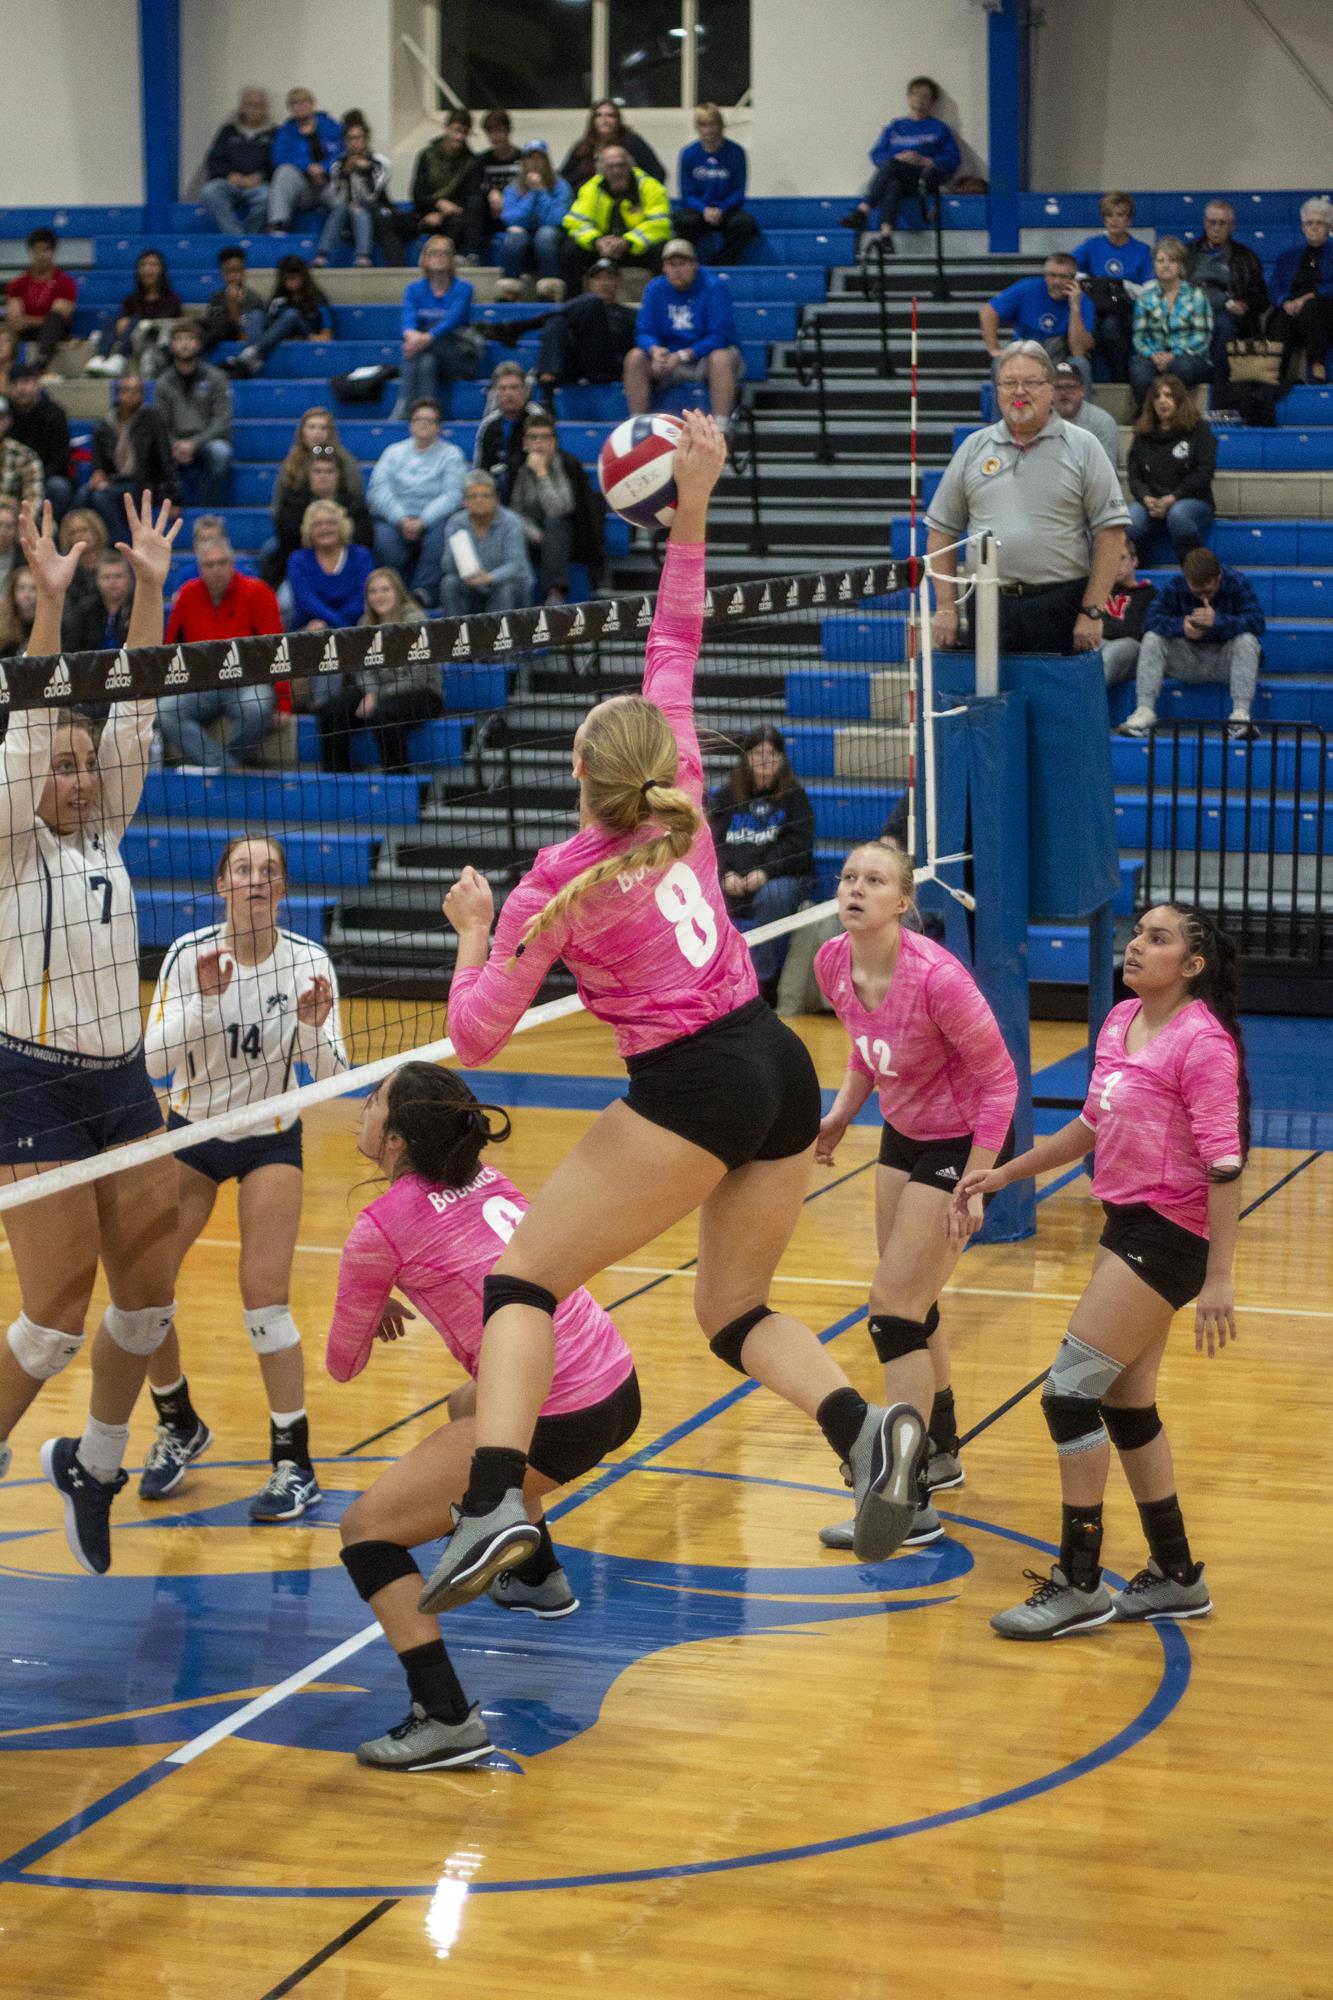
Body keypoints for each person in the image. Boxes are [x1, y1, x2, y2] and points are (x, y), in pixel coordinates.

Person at [417, 411, 924, 1618]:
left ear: (580, 776)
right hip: (776, 1062)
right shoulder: (686, 788)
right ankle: (865, 1431)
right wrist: (692, 503)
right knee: (729, 1308)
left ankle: (491, 1501)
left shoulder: (553, 882)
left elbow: (475, 1041)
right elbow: (676, 631)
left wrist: (473, 931)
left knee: (519, 1282)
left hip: (692, 1082)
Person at [330, 1064, 643, 1770]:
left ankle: (443, 1717)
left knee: (365, 1533)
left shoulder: (378, 1229)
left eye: (373, 1101)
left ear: (397, 1139)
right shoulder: (490, 1178)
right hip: (617, 1385)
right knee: (467, 1405)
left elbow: (343, 1365)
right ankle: (535, 1575)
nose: (362, 1109)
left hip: (559, 1416)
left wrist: (370, 1299)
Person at [958, 905, 1246, 1639]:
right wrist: (1005, 1174)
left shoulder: (1203, 1044)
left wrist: (1218, 1278)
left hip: (1170, 1236)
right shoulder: (1120, 1020)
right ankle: (1176, 1574)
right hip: (1124, 1225)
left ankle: (1079, 1581)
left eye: (1157, 938)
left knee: (1068, 1394)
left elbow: (1224, 1165)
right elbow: (1089, 1125)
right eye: (1137, 932)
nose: (1135, 944)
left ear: (1191, 966)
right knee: (1125, 1404)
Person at [0, 495, 180, 1572]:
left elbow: (141, 706)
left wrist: (149, 588)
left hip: (122, 1081)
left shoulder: (106, 827)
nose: (75, 776)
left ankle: (95, 1463)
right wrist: (50, 605)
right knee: (54, 1321)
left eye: (83, 763)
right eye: (61, 765)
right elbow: (28, 732)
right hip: (29, 1082)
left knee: (147, 1308)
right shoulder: (9, 843)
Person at [813, 841, 1018, 1549]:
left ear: (902, 901)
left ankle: (908, 1499)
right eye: (848, 877)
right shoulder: (831, 962)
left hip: (965, 1140)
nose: (855, 888)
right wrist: (841, 1114)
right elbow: (864, 1047)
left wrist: (978, 1180)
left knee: (892, 1311)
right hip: (902, 1133)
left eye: (874, 880)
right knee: (913, 1301)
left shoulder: (937, 979)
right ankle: (940, 1450)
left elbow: (1001, 1083)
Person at [138, 835, 346, 1520]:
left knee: (264, 1298)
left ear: (282, 889)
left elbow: (336, 1075)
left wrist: (312, 1029)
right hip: (191, 1134)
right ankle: (177, 1422)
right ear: (221, 884)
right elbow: (153, 1066)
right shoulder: (187, 954)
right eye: (243, 869)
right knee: (144, 1290)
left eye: (269, 871)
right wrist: (204, 1002)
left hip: (269, 1138)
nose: (256, 879)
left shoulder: (308, 961)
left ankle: (294, 1461)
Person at [926, 342, 1129, 656]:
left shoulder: (1084, 446)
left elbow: (1111, 533)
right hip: (987, 604)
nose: (1018, 392)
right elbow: (942, 531)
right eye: (1009, 383)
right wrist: (945, 607)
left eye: (1030, 383)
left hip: (1060, 603)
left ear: (1050, 389)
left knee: (1056, 691)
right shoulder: (973, 448)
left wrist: (1092, 611)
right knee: (990, 690)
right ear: (998, 390)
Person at [707, 725, 814, 1000]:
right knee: (705, 892)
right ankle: (712, 980)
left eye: (772, 754)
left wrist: (765, 872)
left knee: (774, 895)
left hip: (780, 880)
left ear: (782, 759)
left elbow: (799, 846)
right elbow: (713, 843)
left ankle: (762, 982)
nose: (765, 760)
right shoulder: (727, 796)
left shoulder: (795, 797)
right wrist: (725, 874)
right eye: (757, 753)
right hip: (734, 880)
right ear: (746, 757)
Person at [158, 538, 282, 770]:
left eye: (222, 563)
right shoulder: (187, 594)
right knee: (165, 709)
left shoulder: (258, 592)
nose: (216, 570)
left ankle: (225, 767)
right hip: (201, 685)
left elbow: (278, 650)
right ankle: (229, 768)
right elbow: (172, 649)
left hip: (247, 683)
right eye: (209, 565)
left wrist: (284, 705)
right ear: (200, 568)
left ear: (233, 563)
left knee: (256, 706)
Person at [1119, 547, 1265, 742]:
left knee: (1247, 641)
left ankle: (1240, 715)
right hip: (1186, 658)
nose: (1203, 598)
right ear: (1187, 580)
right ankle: (1144, 710)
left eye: (1208, 591)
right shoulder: (1175, 585)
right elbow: (1149, 621)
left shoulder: (1237, 582)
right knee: (1152, 638)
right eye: (1197, 593)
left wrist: (1217, 621)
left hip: (1225, 661)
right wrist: (1181, 626)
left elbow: (1257, 622)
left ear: (1219, 577)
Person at [313, 566, 444, 774]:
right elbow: (362, 670)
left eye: (385, 590)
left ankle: (398, 780)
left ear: (398, 592)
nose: (379, 596)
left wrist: (378, 696)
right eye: (373, 591)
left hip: (423, 694)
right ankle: (337, 779)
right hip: (377, 693)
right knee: (332, 711)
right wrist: (372, 692)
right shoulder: (364, 624)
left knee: (382, 712)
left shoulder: (416, 622)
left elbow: (418, 678)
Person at [625, 238, 744, 421]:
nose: (677, 270)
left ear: (694, 265)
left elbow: (719, 335)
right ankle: (637, 423)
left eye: (682, 264)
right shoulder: (654, 288)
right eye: (671, 265)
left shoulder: (714, 287)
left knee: (721, 357)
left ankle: (721, 426)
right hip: (668, 359)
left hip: (703, 358)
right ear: (664, 268)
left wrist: (684, 355)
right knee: (635, 358)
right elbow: (644, 332)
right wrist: (655, 350)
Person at [367, 396, 468, 603]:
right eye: (418, 419)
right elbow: (379, 490)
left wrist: (423, 520)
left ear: (439, 427)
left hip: (435, 519)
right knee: (384, 540)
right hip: (395, 518)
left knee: (444, 534)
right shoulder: (393, 453)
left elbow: (453, 495)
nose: (423, 424)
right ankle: (392, 594)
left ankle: (423, 592)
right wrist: (401, 519)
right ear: (410, 425)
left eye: (429, 420)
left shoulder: (452, 455)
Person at [840, 77, 961, 249]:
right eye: (915, 94)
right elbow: (876, 154)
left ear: (932, 101)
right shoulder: (896, 126)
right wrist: (898, 158)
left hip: (925, 177)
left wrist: (926, 160)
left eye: (925, 96)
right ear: (908, 97)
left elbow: (953, 159)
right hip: (898, 175)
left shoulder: (939, 128)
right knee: (893, 182)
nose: (919, 99)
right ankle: (886, 237)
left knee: (891, 166)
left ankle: (863, 210)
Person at [508, 410, 604, 603]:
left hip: (567, 533)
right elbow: (514, 511)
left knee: (554, 524)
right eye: (533, 437)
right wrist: (534, 533)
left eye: (544, 437)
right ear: (525, 442)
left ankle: (555, 592)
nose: (538, 442)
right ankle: (512, 593)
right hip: (529, 532)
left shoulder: (568, 465)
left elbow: (560, 508)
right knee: (508, 526)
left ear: (554, 441)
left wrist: (542, 473)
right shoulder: (516, 466)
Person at [1126, 374, 1216, 561]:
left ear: (1179, 399)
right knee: (1131, 518)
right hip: (1152, 503)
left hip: (1192, 500)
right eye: (1157, 396)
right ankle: (1141, 566)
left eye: (1168, 395)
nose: (1162, 401)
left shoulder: (1199, 429)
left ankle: (1192, 568)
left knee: (1178, 514)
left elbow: (1204, 472)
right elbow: (1134, 475)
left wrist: (1174, 497)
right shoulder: (1143, 433)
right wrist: (1145, 497)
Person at [1185, 200, 1269, 393]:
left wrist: (1245, 305)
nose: (1216, 228)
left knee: (1224, 324)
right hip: (1191, 312)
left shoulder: (1246, 257)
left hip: (1228, 314)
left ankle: (1219, 389)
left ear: (1232, 226)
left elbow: (1261, 298)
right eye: (1212, 222)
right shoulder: (1188, 253)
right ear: (1205, 223)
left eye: (1222, 223)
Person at [1072, 193, 1155, 384]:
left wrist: (1125, 286)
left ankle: (1119, 380)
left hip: (1127, 313)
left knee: (1111, 326)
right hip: (1095, 310)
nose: (1114, 220)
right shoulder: (1092, 245)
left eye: (1120, 215)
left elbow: (1150, 291)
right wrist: (1089, 281)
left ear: (1129, 219)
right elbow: (1068, 268)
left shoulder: (1142, 251)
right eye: (1109, 215)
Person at [267, 438, 373, 587]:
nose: (323, 477)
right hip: (302, 568)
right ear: (309, 475)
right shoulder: (292, 502)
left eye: (329, 471)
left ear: (339, 476)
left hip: (347, 569)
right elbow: (287, 538)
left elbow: (365, 539)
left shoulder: (355, 504)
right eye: (317, 471)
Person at [81, 373, 176, 537]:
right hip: (113, 480)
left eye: (135, 390)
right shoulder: (104, 424)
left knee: (100, 497)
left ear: (143, 395)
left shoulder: (152, 420)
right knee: (82, 495)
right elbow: (98, 462)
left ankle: (123, 544)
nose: (130, 395)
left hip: (142, 484)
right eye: (125, 390)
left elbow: (165, 459)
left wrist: (173, 498)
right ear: (118, 393)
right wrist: (98, 473)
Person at [980, 254, 1094, 388]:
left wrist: (1075, 308)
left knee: (1081, 364)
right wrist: (994, 349)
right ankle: (1008, 401)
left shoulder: (1083, 301)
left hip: (1060, 358)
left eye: (1063, 277)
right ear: (1045, 276)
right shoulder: (1027, 288)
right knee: (999, 363)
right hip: (1024, 352)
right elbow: (988, 311)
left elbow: (1078, 351)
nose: (1056, 282)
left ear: (1073, 279)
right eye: (1052, 275)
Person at [395, 237, 479, 415]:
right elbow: (408, 319)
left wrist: (424, 339)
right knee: (426, 362)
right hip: (426, 352)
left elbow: (453, 320)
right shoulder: (413, 289)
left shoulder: (464, 288)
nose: (439, 257)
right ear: (424, 259)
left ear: (452, 259)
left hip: (458, 353)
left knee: (418, 350)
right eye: (434, 253)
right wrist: (410, 335)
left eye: (444, 253)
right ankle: (426, 412)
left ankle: (404, 407)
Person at [532, 257, 637, 399]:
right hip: (578, 364)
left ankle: (529, 324)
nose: (603, 283)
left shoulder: (630, 315)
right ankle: (547, 397)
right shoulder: (578, 311)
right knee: (557, 322)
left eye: (608, 278)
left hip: (608, 367)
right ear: (590, 282)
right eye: (598, 278)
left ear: (618, 281)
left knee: (591, 302)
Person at [562, 146, 672, 280]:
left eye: (621, 165)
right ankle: (574, 294)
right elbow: (575, 222)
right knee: (570, 248)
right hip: (602, 247)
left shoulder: (650, 186)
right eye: (611, 167)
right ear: (602, 170)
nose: (616, 171)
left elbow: (660, 224)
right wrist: (596, 241)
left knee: (662, 249)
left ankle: (659, 292)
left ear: (630, 166)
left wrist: (628, 242)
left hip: (636, 249)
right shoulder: (591, 189)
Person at [154, 322, 233, 504]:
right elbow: (161, 422)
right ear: (172, 345)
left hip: (208, 440)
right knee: (152, 451)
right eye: (179, 339)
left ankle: (206, 508)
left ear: (199, 344)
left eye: (190, 339)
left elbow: (222, 420)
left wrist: (195, 443)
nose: (184, 344)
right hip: (175, 441)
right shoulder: (163, 382)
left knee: (221, 453)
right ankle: (168, 504)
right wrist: (174, 444)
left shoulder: (216, 377)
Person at [1130, 238, 1213, 410]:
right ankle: (1148, 417)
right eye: (1160, 261)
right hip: (1154, 356)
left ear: (1181, 266)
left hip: (1190, 357)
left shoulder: (1196, 295)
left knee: (1180, 367)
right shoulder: (1145, 298)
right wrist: (1153, 355)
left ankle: (1177, 417)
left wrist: (1173, 355)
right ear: (1154, 265)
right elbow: (1139, 337)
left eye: (1172, 260)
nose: (1166, 265)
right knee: (1139, 370)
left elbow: (1201, 337)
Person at [437, 469, 531, 617]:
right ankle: (455, 629)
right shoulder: (456, 522)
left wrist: (489, 578)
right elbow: (447, 566)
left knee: (506, 587)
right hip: (471, 585)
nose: (479, 500)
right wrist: (458, 558)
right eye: (472, 496)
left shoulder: (511, 522)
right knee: (449, 583)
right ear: (464, 501)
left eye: (485, 495)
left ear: (496, 499)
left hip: (507, 585)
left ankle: (498, 631)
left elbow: (516, 565)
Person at [674, 104, 759, 266]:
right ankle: (689, 266)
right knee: (683, 222)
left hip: (727, 211)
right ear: (697, 127)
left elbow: (739, 191)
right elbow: (687, 193)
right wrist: (704, 209)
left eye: (712, 124)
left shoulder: (736, 152)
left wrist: (721, 208)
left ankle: (720, 264)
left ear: (720, 125)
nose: (708, 130)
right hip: (698, 211)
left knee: (746, 225)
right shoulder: (689, 153)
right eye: (703, 125)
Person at [1264, 196, 1333, 386]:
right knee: (1280, 318)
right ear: (1303, 227)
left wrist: (1310, 296)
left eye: (1319, 223)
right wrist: (1285, 301)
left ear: (1329, 227)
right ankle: (1276, 377)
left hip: (1325, 307)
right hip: (1292, 307)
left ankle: (1317, 365)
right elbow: (1274, 286)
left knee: (1311, 308)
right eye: (1309, 223)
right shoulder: (1287, 256)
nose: (1314, 227)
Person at [314, 113, 398, 269]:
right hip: (346, 213)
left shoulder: (380, 162)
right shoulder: (337, 165)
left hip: (376, 211)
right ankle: (322, 255)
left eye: (358, 138)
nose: (354, 143)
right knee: (343, 208)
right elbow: (336, 198)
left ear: (365, 139)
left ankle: (363, 256)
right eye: (350, 139)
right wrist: (346, 173)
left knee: (358, 208)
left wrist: (366, 171)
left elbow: (373, 194)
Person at [228, 255, 334, 378]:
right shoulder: (278, 300)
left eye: (294, 277)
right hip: (277, 338)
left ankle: (250, 355)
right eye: (286, 278)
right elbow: (268, 327)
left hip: (305, 335)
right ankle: (253, 357)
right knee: (255, 314)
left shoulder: (318, 300)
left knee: (291, 314)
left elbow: (327, 336)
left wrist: (307, 337)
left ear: (303, 277)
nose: (290, 282)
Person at [85, 248, 184, 379]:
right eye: (144, 265)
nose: (148, 270)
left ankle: (120, 357)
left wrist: (134, 322)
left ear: (162, 269)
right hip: (130, 338)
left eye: (153, 265)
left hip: (153, 340)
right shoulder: (131, 299)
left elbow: (163, 324)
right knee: (115, 320)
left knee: (136, 319)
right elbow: (121, 323)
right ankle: (100, 356)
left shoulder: (172, 299)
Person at [495, 142, 572, 298]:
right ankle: (510, 290)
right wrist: (531, 194)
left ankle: (549, 290)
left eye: (540, 158)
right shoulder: (513, 188)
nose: (535, 162)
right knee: (513, 235)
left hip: (550, 237)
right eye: (531, 158)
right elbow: (511, 219)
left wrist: (541, 191)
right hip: (524, 237)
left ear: (547, 161)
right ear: (524, 162)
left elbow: (558, 219)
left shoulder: (561, 186)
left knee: (545, 234)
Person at [286, 499, 376, 631]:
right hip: (311, 627)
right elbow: (307, 601)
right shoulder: (298, 560)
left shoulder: (361, 555)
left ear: (342, 526)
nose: (324, 528)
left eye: (331, 523)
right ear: (309, 530)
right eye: (317, 524)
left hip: (355, 625)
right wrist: (335, 626)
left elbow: (362, 598)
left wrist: (339, 627)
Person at [410, 109, 486, 257]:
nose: (459, 137)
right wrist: (437, 204)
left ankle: (461, 258)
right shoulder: (427, 155)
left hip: (456, 214)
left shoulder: (471, 162)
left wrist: (444, 213)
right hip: (426, 211)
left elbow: (470, 197)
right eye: (456, 130)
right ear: (446, 128)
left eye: (464, 132)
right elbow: (417, 193)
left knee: (465, 218)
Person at [200, 86, 275, 235]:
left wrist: (261, 176)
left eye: (258, 105)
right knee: (209, 191)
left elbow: (277, 164)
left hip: (259, 184)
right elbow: (214, 160)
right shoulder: (228, 131)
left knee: (268, 198)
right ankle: (236, 236)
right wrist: (230, 176)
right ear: (242, 107)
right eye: (249, 105)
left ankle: (243, 238)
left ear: (265, 108)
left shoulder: (274, 133)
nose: (253, 109)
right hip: (230, 182)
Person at [267, 87, 343, 233]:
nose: (300, 106)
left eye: (304, 102)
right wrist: (308, 167)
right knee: (284, 172)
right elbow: (279, 157)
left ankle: (346, 227)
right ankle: (278, 224)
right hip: (302, 186)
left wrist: (323, 168)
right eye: (295, 103)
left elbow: (342, 152)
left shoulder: (332, 126)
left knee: (343, 185)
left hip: (329, 182)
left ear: (312, 104)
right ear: (290, 108)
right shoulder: (285, 131)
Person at [5, 229, 77, 371]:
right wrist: (23, 320)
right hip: (26, 331)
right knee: (7, 327)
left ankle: (40, 364)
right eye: (37, 250)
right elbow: (15, 316)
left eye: (46, 250)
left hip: (55, 330)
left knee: (54, 321)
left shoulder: (65, 282)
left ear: (53, 252)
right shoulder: (18, 283)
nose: (41, 255)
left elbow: (61, 315)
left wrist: (27, 320)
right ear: (30, 252)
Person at [473, 361, 548, 496]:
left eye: (514, 388)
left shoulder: (537, 419)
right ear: (496, 393)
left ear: (525, 390)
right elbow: (480, 471)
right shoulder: (488, 425)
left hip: (534, 492)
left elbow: (547, 466)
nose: (508, 393)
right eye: (503, 388)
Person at [559, 100, 666, 194]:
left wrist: (641, 198)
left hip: (625, 202)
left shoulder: (632, 142)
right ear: (592, 120)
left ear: (618, 119)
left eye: (610, 115)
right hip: (587, 202)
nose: (604, 120)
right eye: (598, 115)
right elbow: (563, 178)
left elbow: (658, 173)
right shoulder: (583, 147)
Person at [7, 365, 73, 517]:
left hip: (45, 477)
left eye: (26, 382)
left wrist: (33, 477)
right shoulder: (4, 416)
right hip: (12, 478)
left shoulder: (54, 414)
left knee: (59, 487)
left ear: (36, 384)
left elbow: (61, 459)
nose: (21, 388)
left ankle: (51, 528)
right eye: (15, 383)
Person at [1100, 542, 1155, 691]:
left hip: (1130, 648)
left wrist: (1105, 629)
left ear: (1134, 561)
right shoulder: (1100, 592)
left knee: (1114, 652)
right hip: (1102, 643)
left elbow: (1137, 631)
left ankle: (1081, 702)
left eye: (1122, 558)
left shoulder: (1149, 594)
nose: (1116, 565)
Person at [61, 547, 134, 654]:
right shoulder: (84, 610)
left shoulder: (138, 608)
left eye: (118, 576)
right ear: (97, 579)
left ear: (129, 578)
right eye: (106, 577)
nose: (112, 582)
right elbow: (71, 649)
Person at [197, 245, 267, 355]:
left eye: (237, 270)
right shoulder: (216, 298)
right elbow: (215, 326)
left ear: (244, 271)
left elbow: (246, 331)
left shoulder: (255, 298)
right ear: (222, 273)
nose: (233, 275)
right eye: (228, 271)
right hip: (222, 339)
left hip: (248, 342)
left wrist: (234, 305)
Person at [1051, 360, 1119, 468]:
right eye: (1057, 387)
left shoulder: (1102, 422)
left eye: (1070, 386)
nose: (1063, 392)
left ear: (1082, 391)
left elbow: (1106, 470)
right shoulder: (1040, 421)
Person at [475, 108, 525, 236]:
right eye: (491, 133)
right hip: (491, 213)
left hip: (517, 210)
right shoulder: (482, 160)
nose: (495, 137)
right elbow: (474, 188)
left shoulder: (523, 158)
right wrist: (490, 192)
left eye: (499, 131)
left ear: (508, 131)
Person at [0, 398, 44, 514]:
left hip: (14, 520)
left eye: (0, 418)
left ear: (8, 421)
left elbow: (34, 500)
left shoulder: (25, 456)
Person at [0, 562, 36, 659]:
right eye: (22, 588)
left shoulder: (46, 621)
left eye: (33, 588)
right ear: (13, 591)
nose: (27, 594)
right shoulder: (3, 621)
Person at [0, 496, 21, 595]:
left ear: (16, 529)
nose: (3, 531)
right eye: (0, 524)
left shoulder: (23, 556)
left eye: (9, 526)